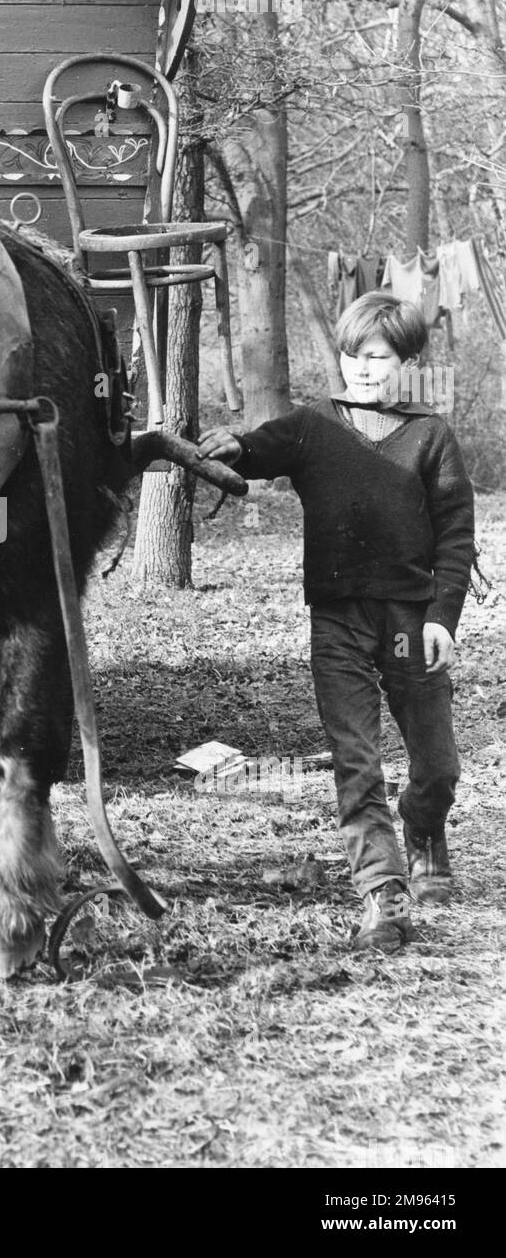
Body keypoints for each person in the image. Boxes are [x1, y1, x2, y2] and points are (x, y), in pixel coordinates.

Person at [198, 291, 475, 952]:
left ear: (407, 362)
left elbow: (455, 538)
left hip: (410, 620)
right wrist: (229, 443)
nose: (363, 370)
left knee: (436, 767)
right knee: (356, 757)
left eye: (378, 359)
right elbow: (255, 450)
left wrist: (442, 618)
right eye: (354, 357)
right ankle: (383, 891)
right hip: (337, 619)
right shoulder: (313, 426)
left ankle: (423, 824)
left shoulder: (430, 434)